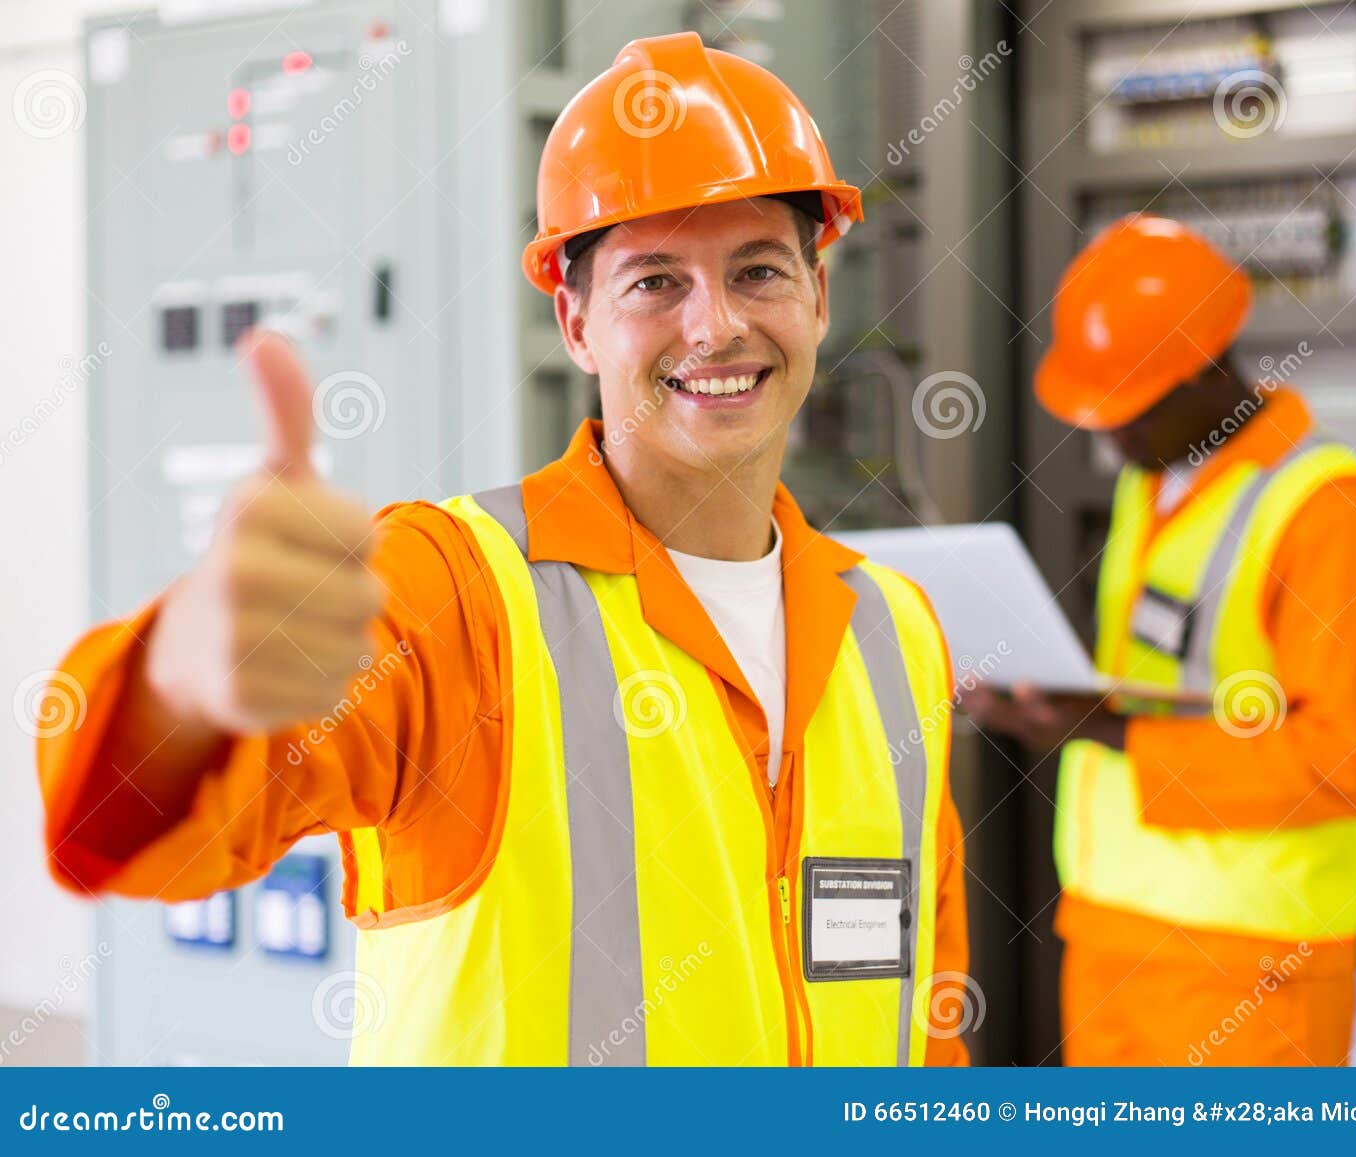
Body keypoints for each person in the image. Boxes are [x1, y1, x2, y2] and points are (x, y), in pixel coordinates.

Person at [36, 32, 969, 1067]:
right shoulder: (458, 589)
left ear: (818, 297)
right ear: (575, 323)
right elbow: (132, 836)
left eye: (757, 271)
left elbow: (921, 1023)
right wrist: (180, 688)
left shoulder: (896, 632)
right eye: (655, 283)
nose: (715, 327)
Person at [963, 214, 1356, 1066]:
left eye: (1132, 412)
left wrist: (1097, 727)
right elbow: (1160, 681)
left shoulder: (1333, 512)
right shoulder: (1159, 480)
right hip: (1109, 930)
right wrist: (1040, 699)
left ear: (1210, 369)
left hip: (1247, 965)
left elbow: (1343, 761)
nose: (1114, 440)